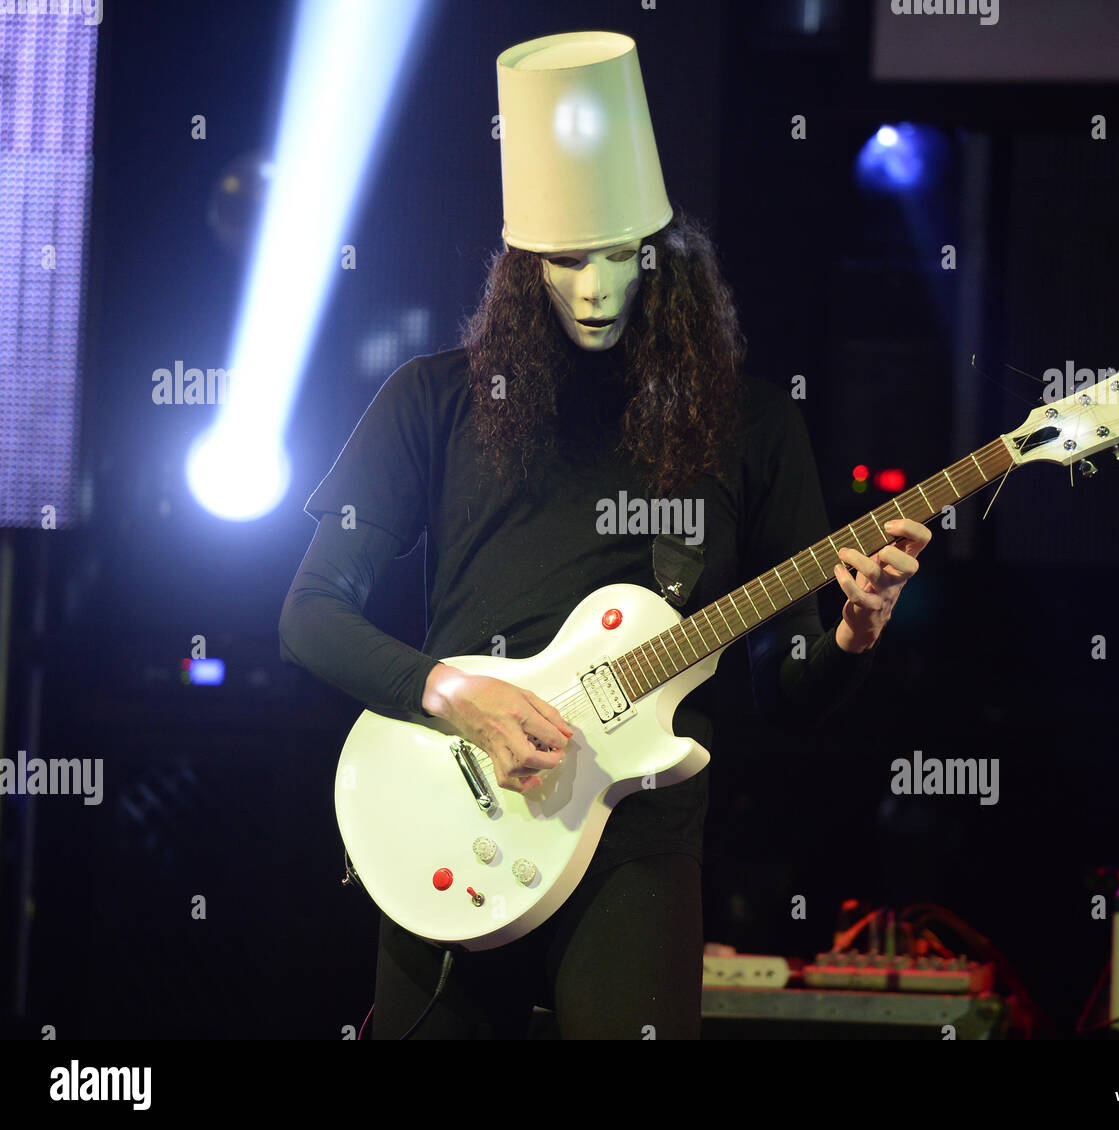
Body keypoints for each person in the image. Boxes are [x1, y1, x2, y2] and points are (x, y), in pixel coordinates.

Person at [278, 31, 930, 1040]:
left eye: (619, 257)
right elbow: (309, 617)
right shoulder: (431, 402)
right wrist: (453, 693)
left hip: (639, 840)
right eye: (563, 261)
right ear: (517, 266)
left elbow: (789, 694)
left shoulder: (752, 424)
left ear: (665, 257)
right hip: (459, 805)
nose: (592, 289)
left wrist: (850, 633)